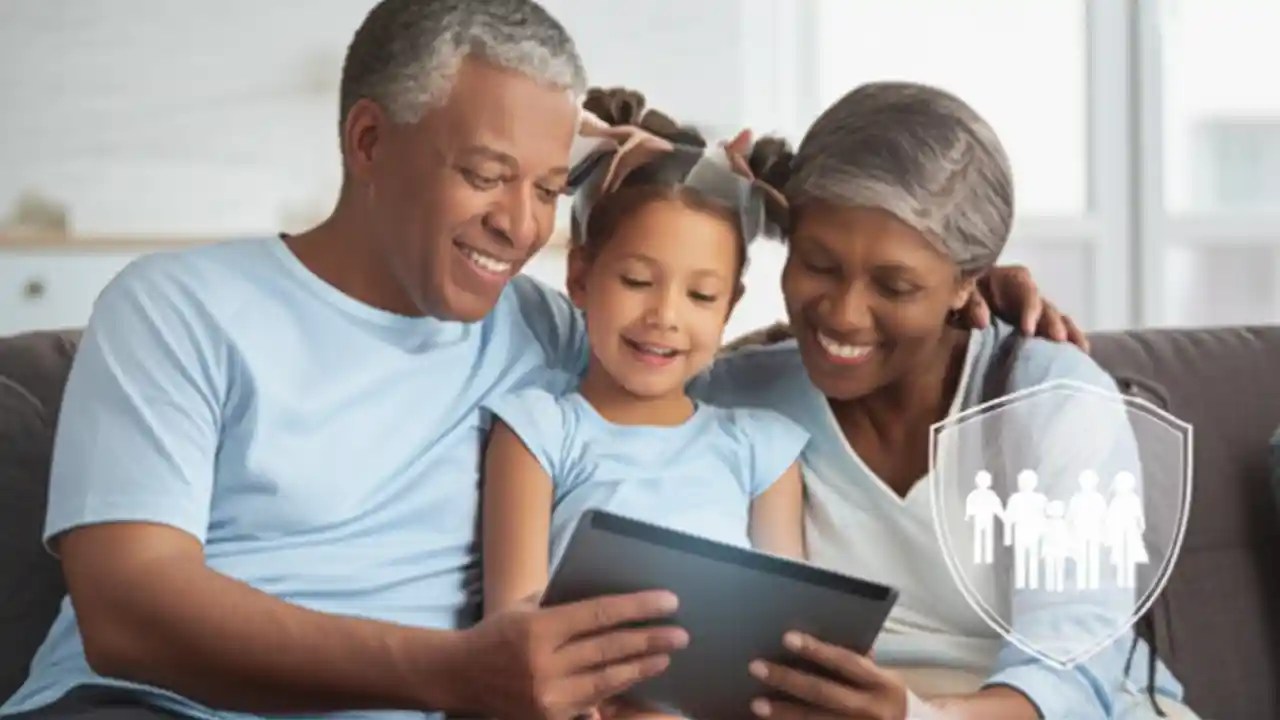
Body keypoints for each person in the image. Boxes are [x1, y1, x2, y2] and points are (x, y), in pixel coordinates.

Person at [0, 2, 1081, 719]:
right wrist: (457, 675)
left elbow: (689, 337)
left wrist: (947, 297)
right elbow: (130, 610)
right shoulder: (178, 309)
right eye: (484, 175)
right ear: (368, 143)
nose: (518, 225)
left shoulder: (547, 333)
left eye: (544, 185)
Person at [698, 82, 1200, 719]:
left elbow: (1074, 671)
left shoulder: (1053, 402)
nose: (844, 315)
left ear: (970, 280)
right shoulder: (734, 396)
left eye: (896, 285)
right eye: (818, 265)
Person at [482, 97, 809, 631]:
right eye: (636, 282)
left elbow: (779, 628)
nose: (665, 317)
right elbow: (512, 630)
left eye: (701, 296)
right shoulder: (538, 432)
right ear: (581, 277)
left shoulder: (762, 450)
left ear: (730, 305)